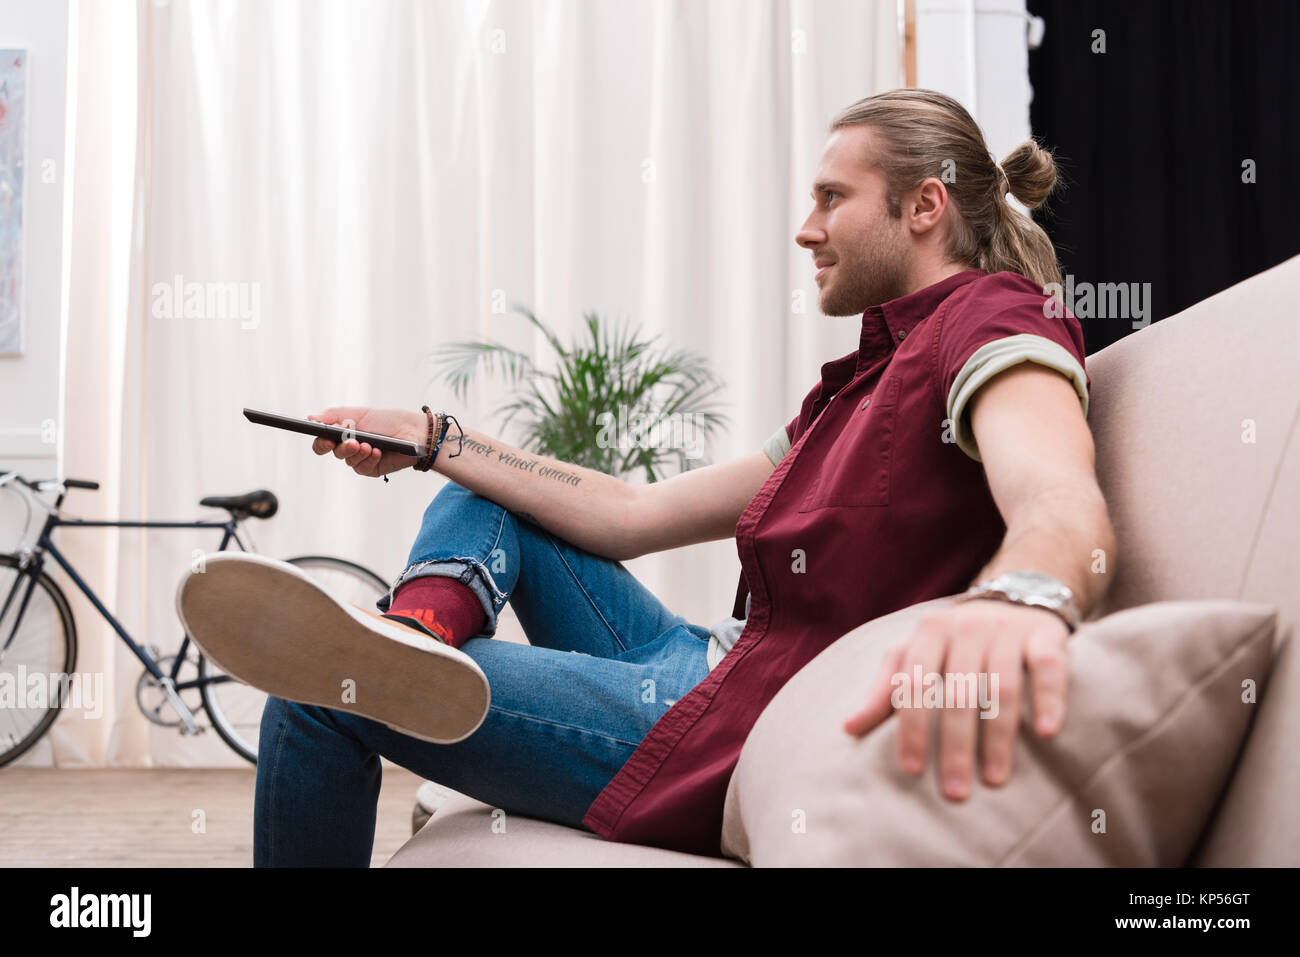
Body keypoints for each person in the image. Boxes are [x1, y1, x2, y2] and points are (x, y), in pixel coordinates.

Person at [177, 88, 1115, 865]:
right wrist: (432, 436)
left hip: (728, 724)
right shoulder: (866, 379)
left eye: (833, 198)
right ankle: (419, 638)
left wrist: (1024, 598)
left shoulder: (993, 321)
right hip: (700, 660)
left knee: (317, 687)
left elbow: (1058, 495)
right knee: (478, 491)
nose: (806, 228)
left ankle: (387, 662)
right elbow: (634, 514)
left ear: (923, 206)